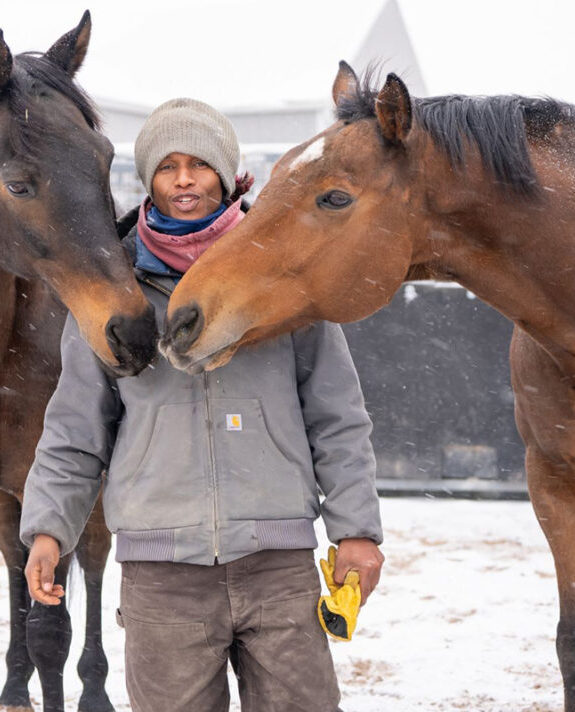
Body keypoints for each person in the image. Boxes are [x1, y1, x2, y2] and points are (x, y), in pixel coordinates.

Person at [20, 97, 384, 712]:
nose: (184, 179)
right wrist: (48, 530)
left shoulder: (282, 279)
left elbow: (338, 419)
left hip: (278, 567)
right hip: (164, 580)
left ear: (224, 172)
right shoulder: (117, 298)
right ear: (148, 181)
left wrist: (356, 530)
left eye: (199, 164)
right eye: (167, 167)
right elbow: (77, 431)